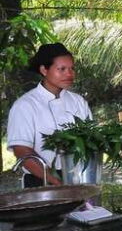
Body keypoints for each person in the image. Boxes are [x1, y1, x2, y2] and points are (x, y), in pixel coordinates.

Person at [6, 43, 92, 187]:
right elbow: (22, 150)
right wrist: (57, 181)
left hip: (77, 177)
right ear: (44, 70)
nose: (69, 74)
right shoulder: (25, 105)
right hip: (39, 180)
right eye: (62, 69)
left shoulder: (78, 102)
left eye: (72, 68)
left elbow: (90, 141)